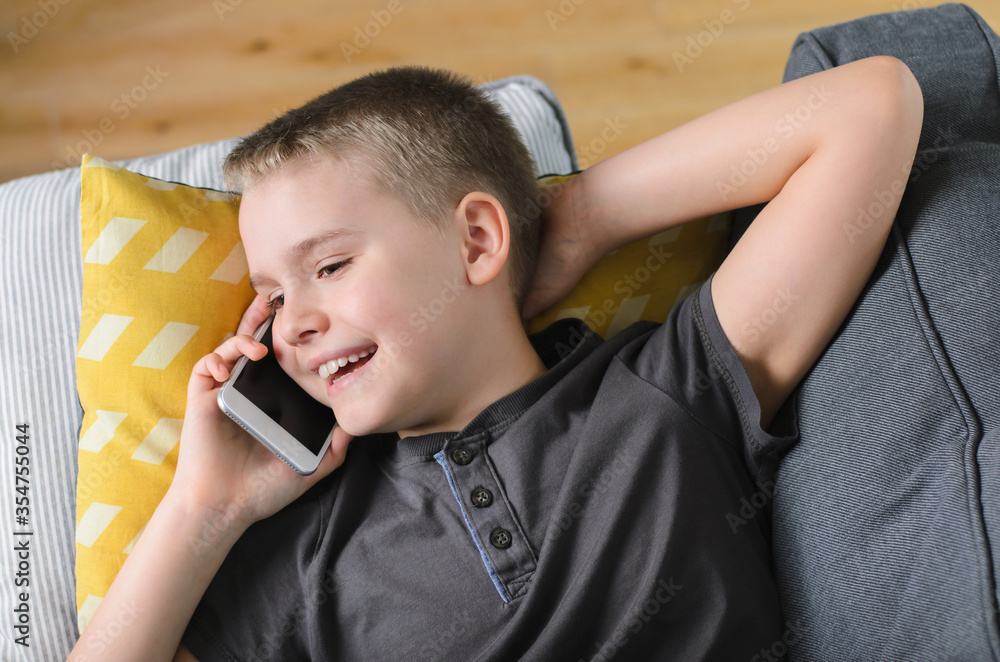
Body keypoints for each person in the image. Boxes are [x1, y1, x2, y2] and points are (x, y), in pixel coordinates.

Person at [68, 55, 923, 661]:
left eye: (329, 267)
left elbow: (872, 107)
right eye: (274, 297)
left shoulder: (667, 392)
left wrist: (579, 218)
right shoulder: (308, 548)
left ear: (477, 238)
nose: (293, 326)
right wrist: (204, 511)